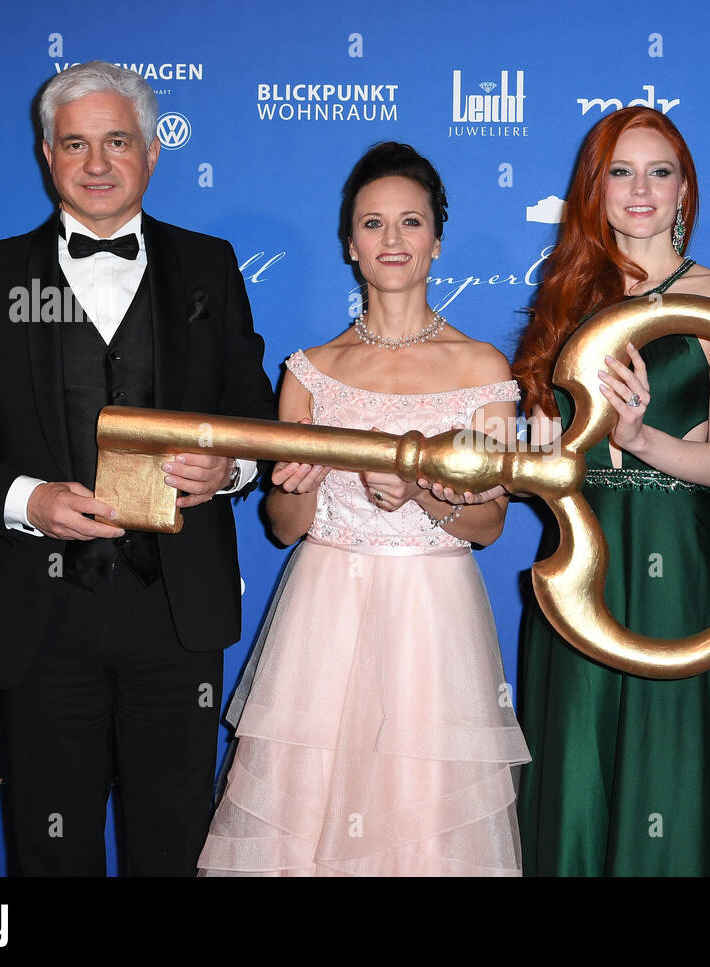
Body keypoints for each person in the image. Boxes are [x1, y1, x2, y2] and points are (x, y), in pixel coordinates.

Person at [0, 61, 277, 875]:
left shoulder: (209, 267)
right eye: (76, 143)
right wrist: (29, 499)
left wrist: (231, 470)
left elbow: (257, 421)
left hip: (175, 615)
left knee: (172, 849)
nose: (97, 163)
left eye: (117, 141)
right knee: (49, 852)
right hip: (36, 616)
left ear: (153, 152)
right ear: (45, 153)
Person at [197, 142, 529, 876]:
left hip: (432, 613)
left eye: (409, 222)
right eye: (373, 224)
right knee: (305, 812)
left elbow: (491, 524)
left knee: (423, 811)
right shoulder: (310, 369)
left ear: (436, 239)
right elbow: (284, 527)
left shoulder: (484, 369)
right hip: (324, 611)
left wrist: (420, 493)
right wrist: (304, 480)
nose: (392, 240)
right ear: (350, 243)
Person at [511, 106, 710, 876]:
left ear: (684, 188)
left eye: (659, 171)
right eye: (619, 173)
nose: (640, 190)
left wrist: (640, 440)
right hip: (579, 559)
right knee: (580, 764)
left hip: (679, 564)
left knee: (674, 762)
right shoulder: (565, 295)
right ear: (593, 190)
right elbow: (550, 452)